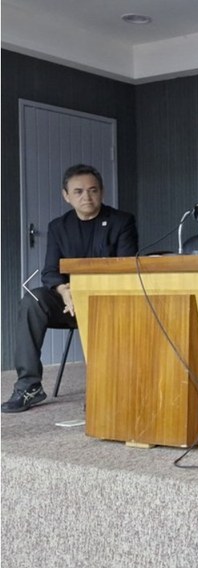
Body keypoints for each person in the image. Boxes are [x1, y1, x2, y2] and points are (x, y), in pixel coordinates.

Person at [2, 164, 138, 413]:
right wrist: (65, 292)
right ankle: (28, 386)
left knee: (102, 304)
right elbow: (50, 272)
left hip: (107, 301)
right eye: (78, 191)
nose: (86, 196)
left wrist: (86, 293)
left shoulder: (121, 221)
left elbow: (126, 269)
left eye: (92, 190)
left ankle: (102, 388)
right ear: (66, 196)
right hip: (69, 302)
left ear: (102, 192)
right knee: (33, 300)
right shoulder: (58, 227)